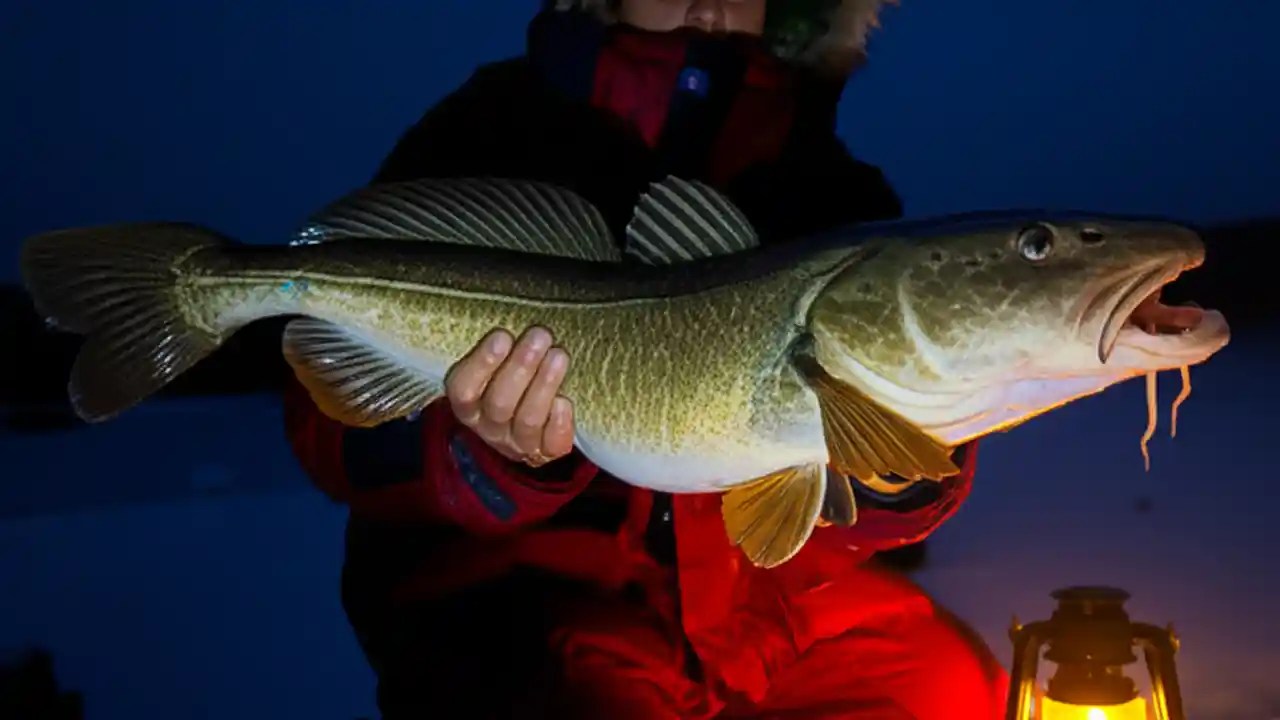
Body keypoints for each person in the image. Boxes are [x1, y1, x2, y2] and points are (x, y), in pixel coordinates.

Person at [285, 1, 1009, 717]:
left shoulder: (833, 190)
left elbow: (836, 515)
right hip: (531, 612)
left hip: (765, 621)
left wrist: (894, 469)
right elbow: (335, 428)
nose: (707, 3)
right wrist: (492, 455)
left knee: (948, 686)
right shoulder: (488, 133)